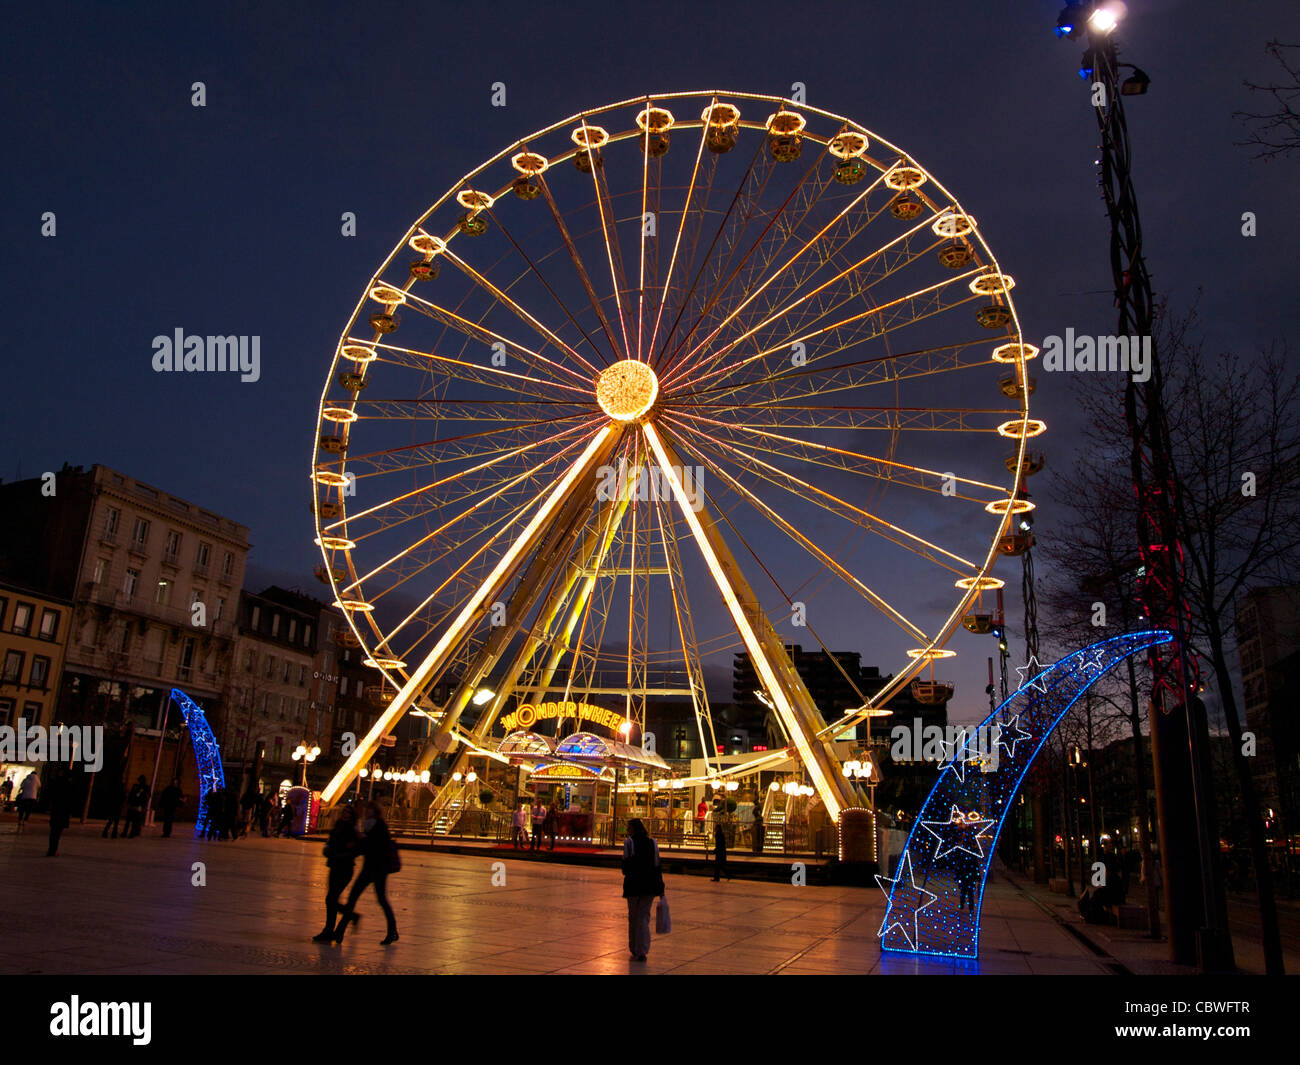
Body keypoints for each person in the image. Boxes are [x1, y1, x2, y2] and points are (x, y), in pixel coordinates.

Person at [334, 801, 399, 945]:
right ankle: (340, 931)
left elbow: (376, 846)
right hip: (368, 868)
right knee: (353, 898)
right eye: (366, 809)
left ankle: (392, 930)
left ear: (375, 811)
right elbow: (364, 846)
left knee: (381, 900)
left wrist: (363, 839)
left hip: (379, 869)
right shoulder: (367, 825)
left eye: (369, 809)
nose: (367, 812)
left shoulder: (380, 826)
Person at [314, 804, 361, 942]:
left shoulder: (353, 829)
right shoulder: (338, 825)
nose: (346, 814)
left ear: (352, 815)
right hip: (334, 865)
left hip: (345, 867)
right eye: (344, 812)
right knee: (331, 899)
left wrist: (343, 851)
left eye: (349, 812)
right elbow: (332, 841)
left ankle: (331, 929)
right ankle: (333, 927)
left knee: (331, 899)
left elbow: (355, 848)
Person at [621, 818, 665, 962]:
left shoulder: (629, 843)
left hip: (633, 885)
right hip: (649, 885)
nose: (627, 830)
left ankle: (634, 947)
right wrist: (661, 887)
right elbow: (657, 865)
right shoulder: (653, 843)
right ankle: (642, 949)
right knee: (643, 917)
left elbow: (625, 867)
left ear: (632, 829)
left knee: (633, 917)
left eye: (628, 828)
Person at [45, 767, 74, 857]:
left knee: (53, 832)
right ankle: (53, 850)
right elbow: (70, 800)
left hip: (56, 810)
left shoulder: (56, 783)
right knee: (57, 833)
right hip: (63, 811)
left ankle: (51, 849)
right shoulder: (68, 785)